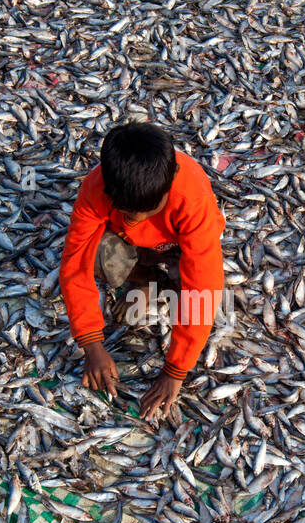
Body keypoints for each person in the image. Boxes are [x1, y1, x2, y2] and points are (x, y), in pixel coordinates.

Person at [59, 122, 226, 420]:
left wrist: (176, 370)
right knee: (95, 254)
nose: (137, 218)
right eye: (128, 212)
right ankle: (145, 279)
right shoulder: (95, 188)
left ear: (172, 177)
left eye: (149, 209)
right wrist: (90, 342)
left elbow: (204, 285)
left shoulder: (191, 198)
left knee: (194, 298)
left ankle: (161, 277)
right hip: (129, 243)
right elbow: (75, 263)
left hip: (179, 245)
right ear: (109, 190)